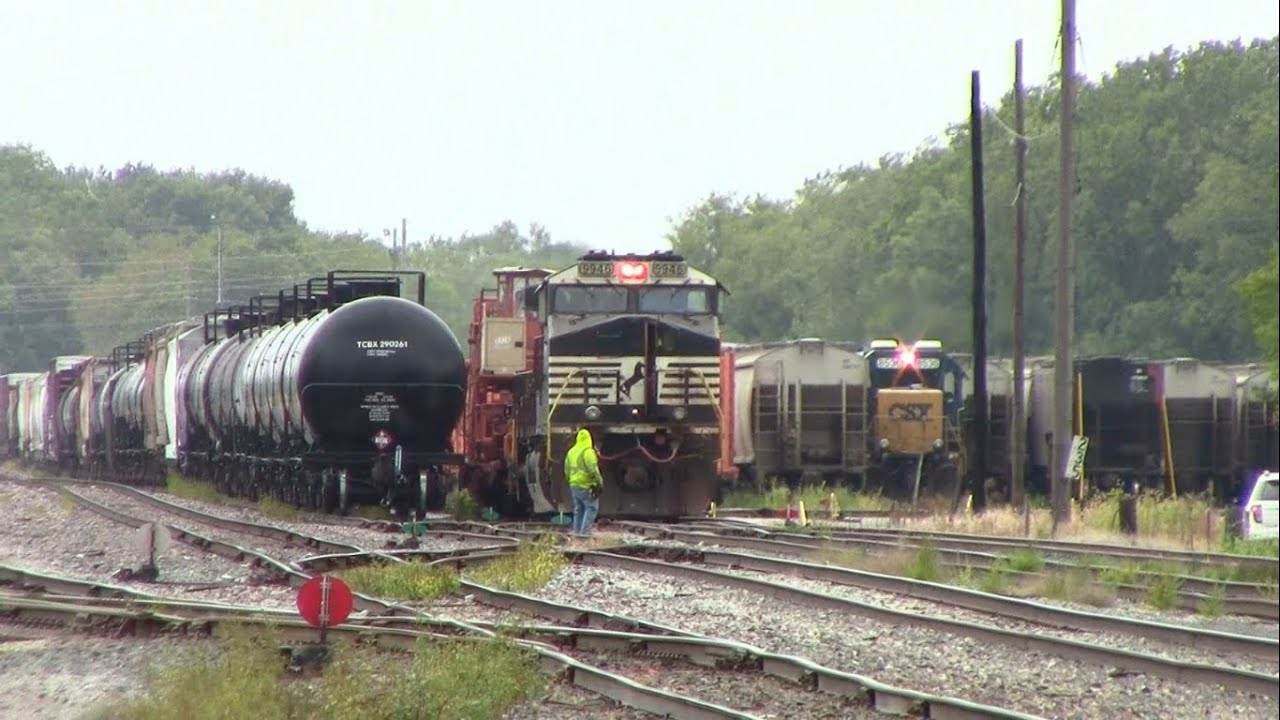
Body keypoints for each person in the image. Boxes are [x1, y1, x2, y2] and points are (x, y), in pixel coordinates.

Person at [565, 428, 604, 539]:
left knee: (578, 509)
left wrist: (571, 481)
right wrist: (599, 483)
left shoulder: (571, 452)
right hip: (586, 485)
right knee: (591, 508)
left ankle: (577, 533)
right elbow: (593, 470)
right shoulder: (587, 452)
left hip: (574, 485)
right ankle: (584, 534)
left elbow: (567, 470)